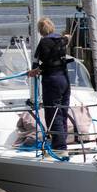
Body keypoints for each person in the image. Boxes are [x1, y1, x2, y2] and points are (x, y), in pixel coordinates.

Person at [28, 18, 72, 150]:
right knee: (63, 111)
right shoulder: (61, 40)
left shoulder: (44, 42)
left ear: (40, 31)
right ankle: (62, 140)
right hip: (65, 79)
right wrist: (66, 36)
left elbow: (40, 62)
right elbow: (68, 37)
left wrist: (34, 71)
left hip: (52, 80)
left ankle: (59, 147)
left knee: (53, 113)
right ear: (52, 27)